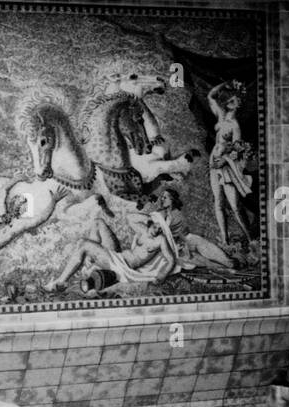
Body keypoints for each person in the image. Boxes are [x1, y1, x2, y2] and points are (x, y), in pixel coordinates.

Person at [44, 205, 180, 293]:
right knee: (98, 222)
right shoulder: (143, 229)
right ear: (151, 222)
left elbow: (171, 259)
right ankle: (91, 259)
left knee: (83, 243)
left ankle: (61, 282)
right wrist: (150, 217)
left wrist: (162, 275)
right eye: (155, 226)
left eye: (160, 229)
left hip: (122, 267)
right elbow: (129, 217)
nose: (156, 230)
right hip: (117, 256)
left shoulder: (160, 240)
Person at [206, 80, 253, 244]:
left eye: (236, 100)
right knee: (218, 203)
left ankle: (251, 238)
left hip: (225, 166)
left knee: (234, 206)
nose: (235, 102)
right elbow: (211, 95)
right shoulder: (220, 116)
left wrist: (224, 162)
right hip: (213, 163)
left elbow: (237, 149)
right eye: (232, 100)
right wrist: (225, 83)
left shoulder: (234, 125)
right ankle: (225, 240)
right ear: (227, 103)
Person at [157, 187, 236, 271]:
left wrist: (183, 242)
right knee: (203, 262)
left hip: (184, 241)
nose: (162, 199)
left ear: (172, 199)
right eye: (162, 197)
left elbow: (182, 232)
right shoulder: (160, 214)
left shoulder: (178, 214)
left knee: (198, 241)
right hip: (173, 248)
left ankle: (228, 261)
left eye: (165, 197)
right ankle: (224, 268)